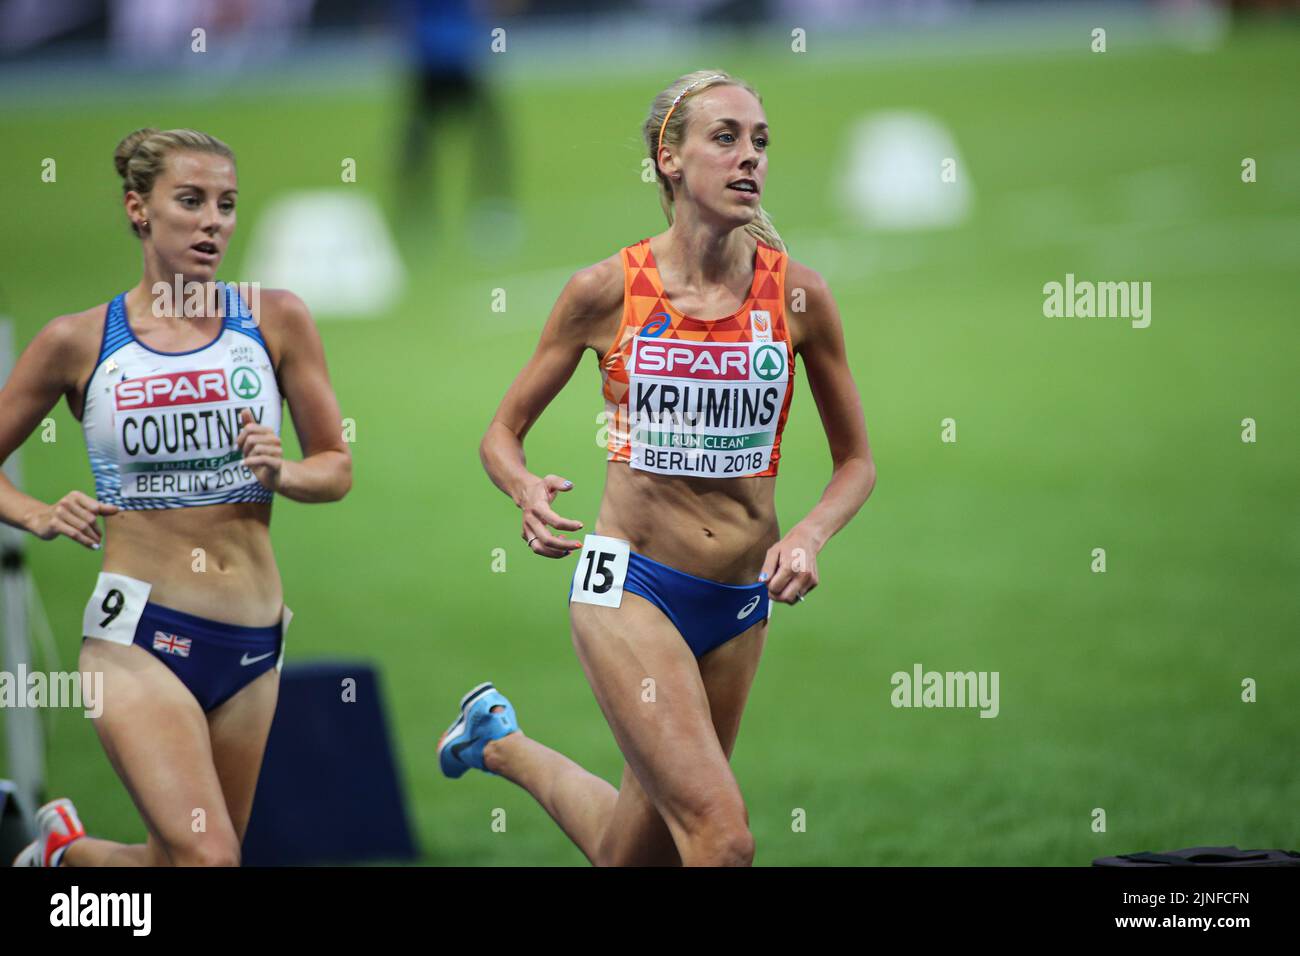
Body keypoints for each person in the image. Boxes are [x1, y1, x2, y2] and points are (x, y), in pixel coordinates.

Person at [438, 71, 876, 866]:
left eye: (761, 141)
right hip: (628, 585)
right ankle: (500, 742)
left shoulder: (800, 297)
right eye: (726, 138)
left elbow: (856, 463)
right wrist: (523, 486)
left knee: (635, 856)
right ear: (668, 160)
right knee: (722, 838)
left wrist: (809, 534)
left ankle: (499, 744)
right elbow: (501, 432)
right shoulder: (606, 291)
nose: (750, 158)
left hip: (740, 599)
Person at [2, 127, 352, 866]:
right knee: (209, 857)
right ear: (139, 208)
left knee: (182, 861)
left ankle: (63, 859)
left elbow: (336, 467)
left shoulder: (275, 318)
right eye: (189, 201)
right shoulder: (79, 340)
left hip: (254, 639)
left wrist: (284, 472)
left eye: (225, 204)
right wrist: (34, 513)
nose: (212, 221)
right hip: (138, 637)